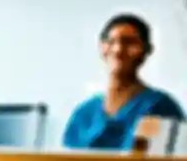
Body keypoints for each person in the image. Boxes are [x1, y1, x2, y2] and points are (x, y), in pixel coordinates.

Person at [62, 13, 184, 150]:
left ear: (147, 50)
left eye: (130, 43)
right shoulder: (84, 114)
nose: (118, 50)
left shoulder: (159, 107)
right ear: (102, 48)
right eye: (111, 41)